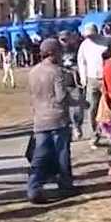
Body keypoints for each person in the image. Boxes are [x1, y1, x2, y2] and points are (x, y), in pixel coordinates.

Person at [27, 38, 74, 205]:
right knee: (62, 153)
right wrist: (77, 101)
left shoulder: (32, 72)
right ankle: (65, 184)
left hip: (39, 118)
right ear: (54, 52)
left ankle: (33, 187)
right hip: (57, 118)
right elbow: (61, 97)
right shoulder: (57, 72)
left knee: (39, 157)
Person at [76, 23, 109, 145]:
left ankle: (110, 131)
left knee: (109, 106)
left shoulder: (106, 42)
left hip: (106, 77)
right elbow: (81, 62)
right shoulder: (84, 45)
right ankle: (94, 134)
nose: (89, 37)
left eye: (91, 34)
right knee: (92, 107)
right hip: (91, 79)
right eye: (87, 35)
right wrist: (83, 78)